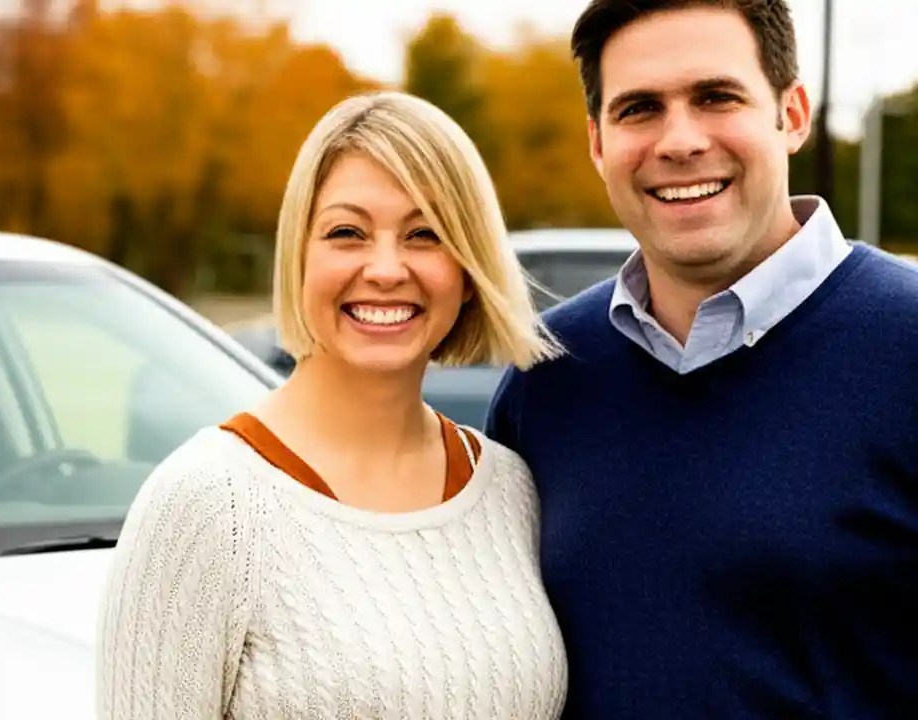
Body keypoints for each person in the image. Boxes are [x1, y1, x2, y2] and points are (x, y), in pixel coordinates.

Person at [485, 1, 918, 717]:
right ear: (598, 144)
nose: (679, 140)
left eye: (716, 97)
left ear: (793, 113)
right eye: (639, 109)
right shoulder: (549, 376)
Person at [97, 90, 568, 718]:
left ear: (468, 266)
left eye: (425, 234)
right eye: (347, 232)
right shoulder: (208, 502)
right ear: (299, 255)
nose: (384, 268)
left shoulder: (510, 489)